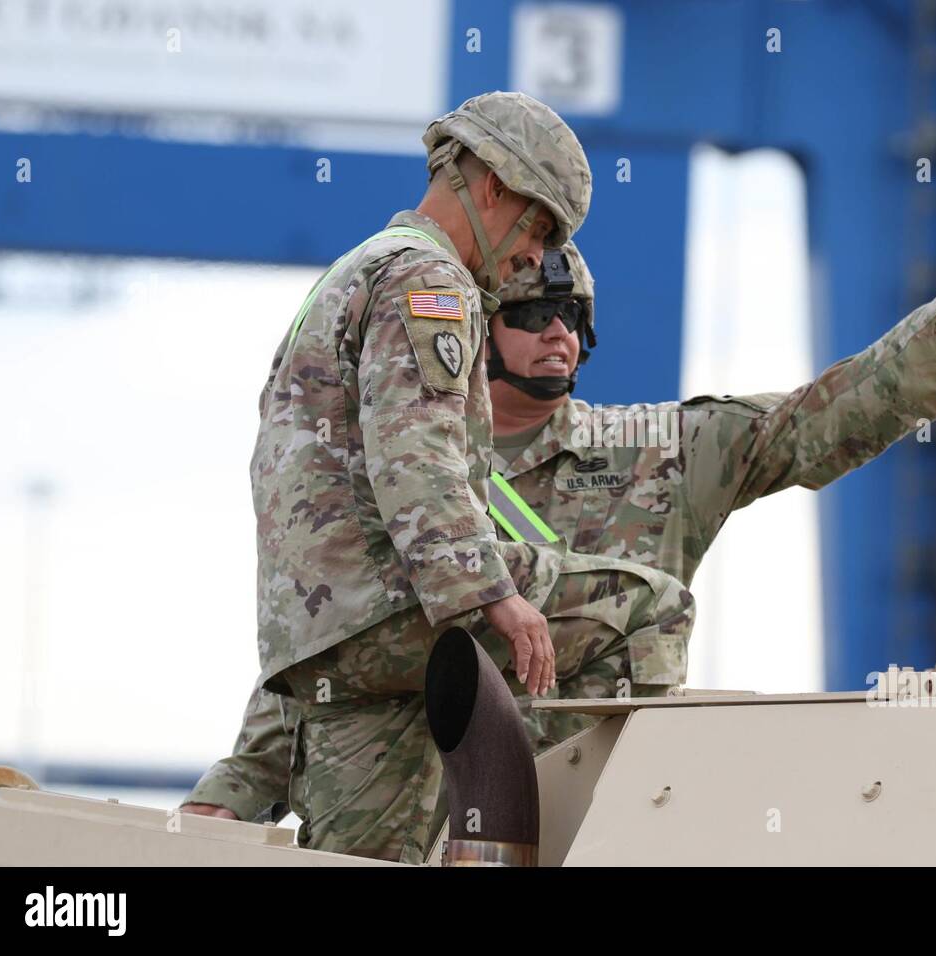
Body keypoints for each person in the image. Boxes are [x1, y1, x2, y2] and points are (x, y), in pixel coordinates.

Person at [184, 229, 936, 842]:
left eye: (574, 315)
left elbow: (813, 422)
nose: (559, 331)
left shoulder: (654, 453)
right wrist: (235, 789)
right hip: (409, 810)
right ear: (473, 333)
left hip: (591, 827)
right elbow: (328, 651)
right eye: (534, 311)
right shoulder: (410, 483)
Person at [203, 90, 697, 865]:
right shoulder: (429, 282)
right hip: (399, 603)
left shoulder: (350, 273)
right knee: (649, 608)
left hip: (324, 641)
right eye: (538, 225)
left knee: (363, 861)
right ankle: (575, 844)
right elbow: (416, 454)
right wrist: (494, 595)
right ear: (491, 185)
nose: (538, 254)